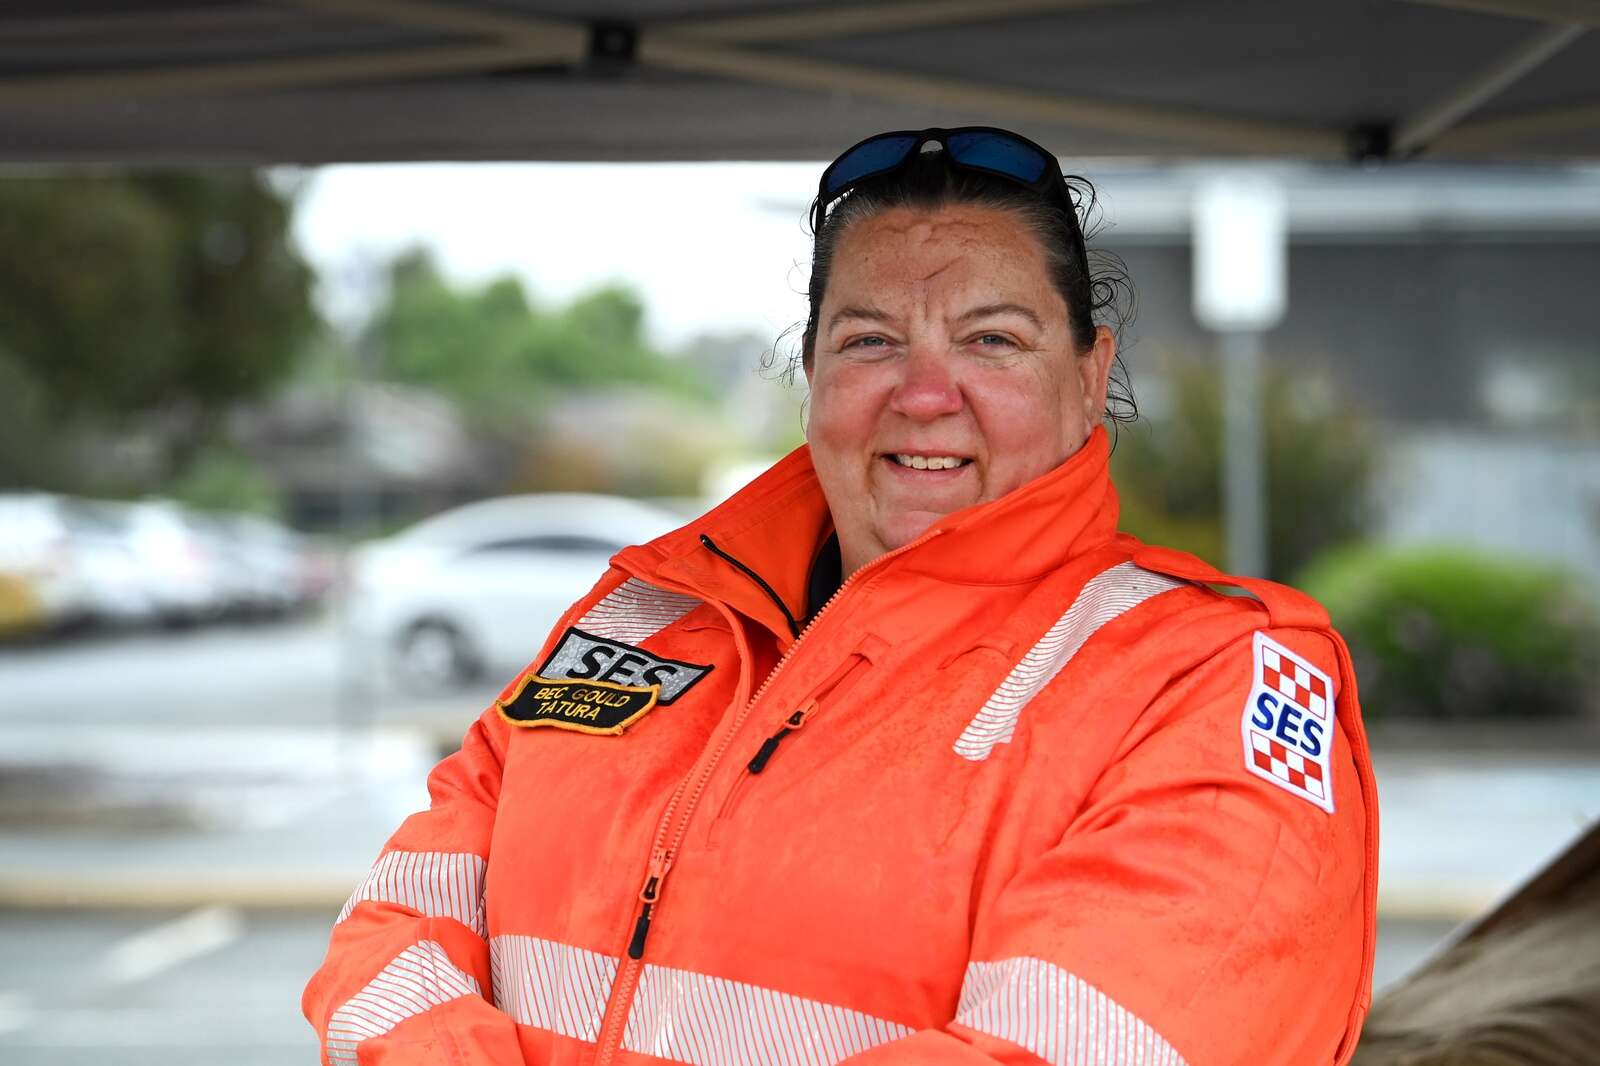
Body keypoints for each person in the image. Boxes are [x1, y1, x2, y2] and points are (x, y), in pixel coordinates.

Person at [304, 126, 1378, 1066]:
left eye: (991, 339)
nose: (923, 394)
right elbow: (395, 924)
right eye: (869, 339)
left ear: (1090, 376)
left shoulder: (1211, 674)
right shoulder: (648, 611)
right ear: (812, 371)